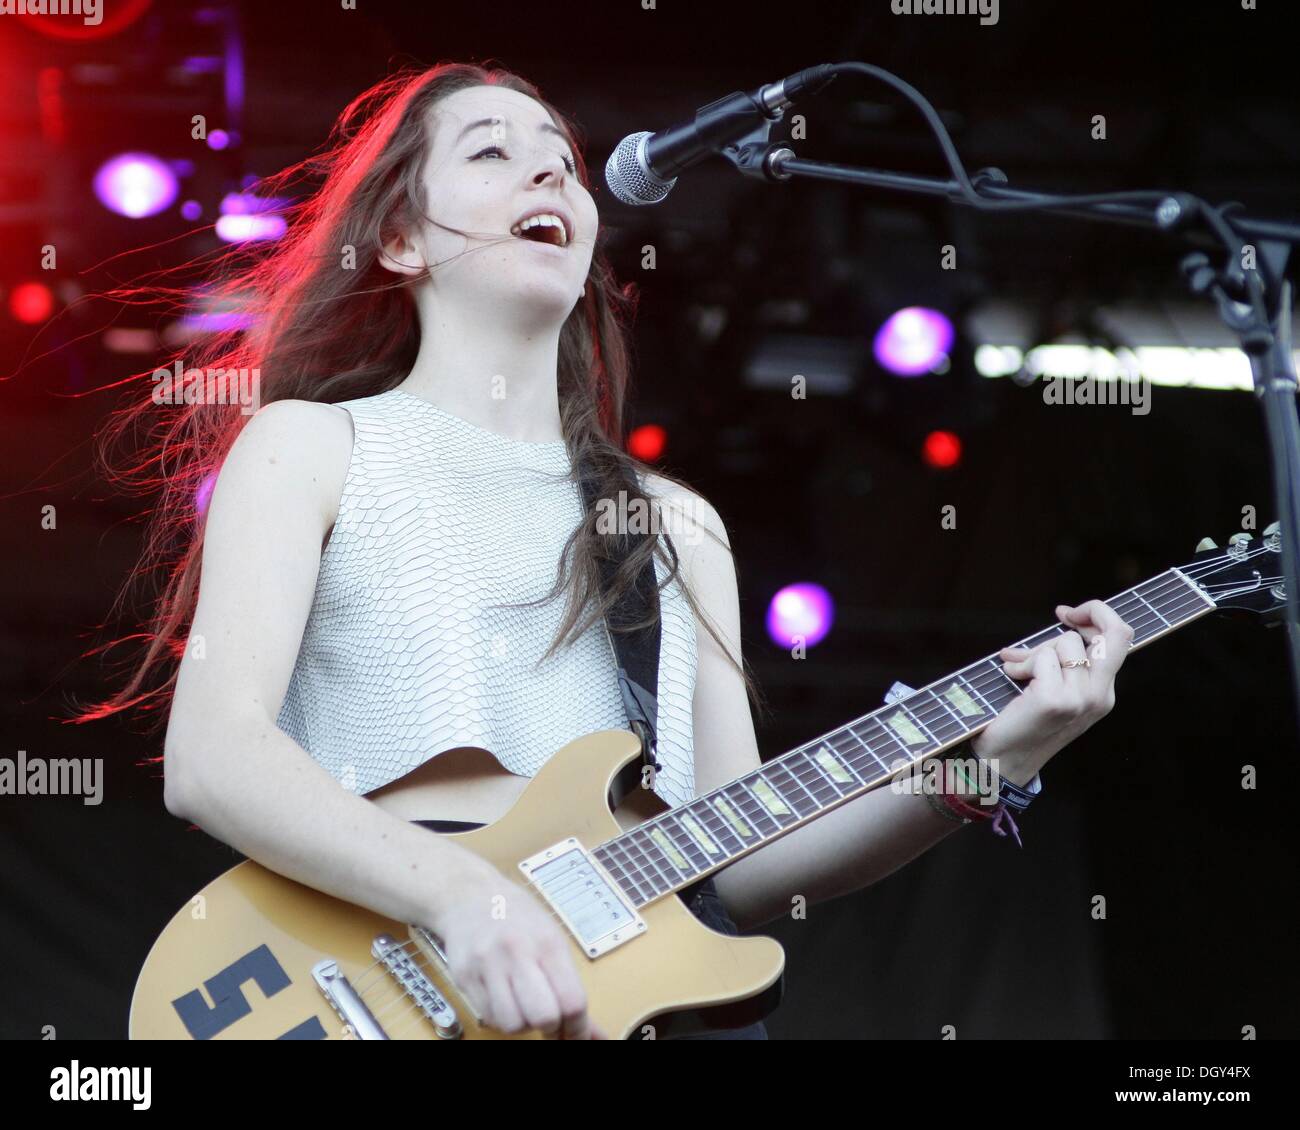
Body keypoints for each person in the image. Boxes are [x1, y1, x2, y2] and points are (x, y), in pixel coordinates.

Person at [90, 63, 1134, 1041]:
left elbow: (742, 849)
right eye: (491, 152)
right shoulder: (316, 445)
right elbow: (213, 757)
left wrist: (991, 762)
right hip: (360, 978)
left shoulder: (675, 524)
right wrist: (463, 894)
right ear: (401, 239)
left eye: (560, 156)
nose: (549, 166)